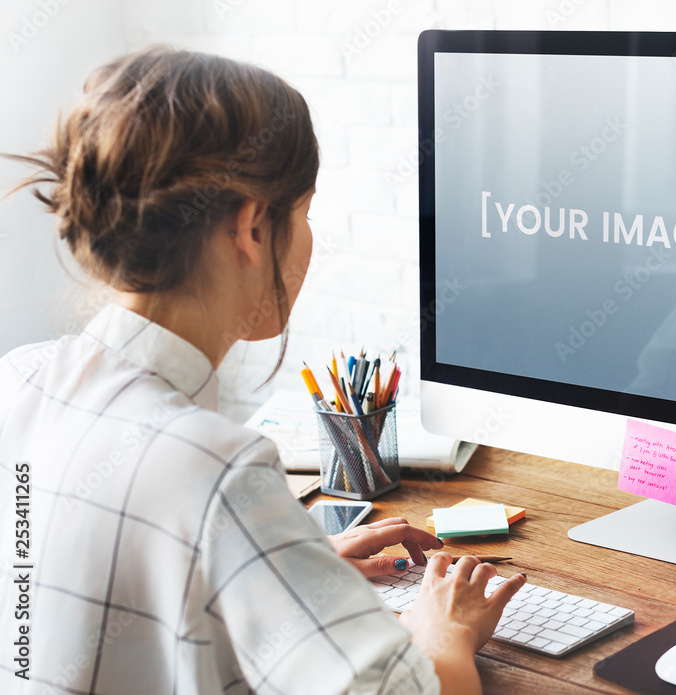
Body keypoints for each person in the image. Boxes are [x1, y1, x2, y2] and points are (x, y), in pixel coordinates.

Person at [0, 46, 525, 695]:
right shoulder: (215, 466)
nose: (307, 239)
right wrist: (446, 627)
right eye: (302, 212)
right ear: (251, 225)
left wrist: (282, 568)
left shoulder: (17, 381)